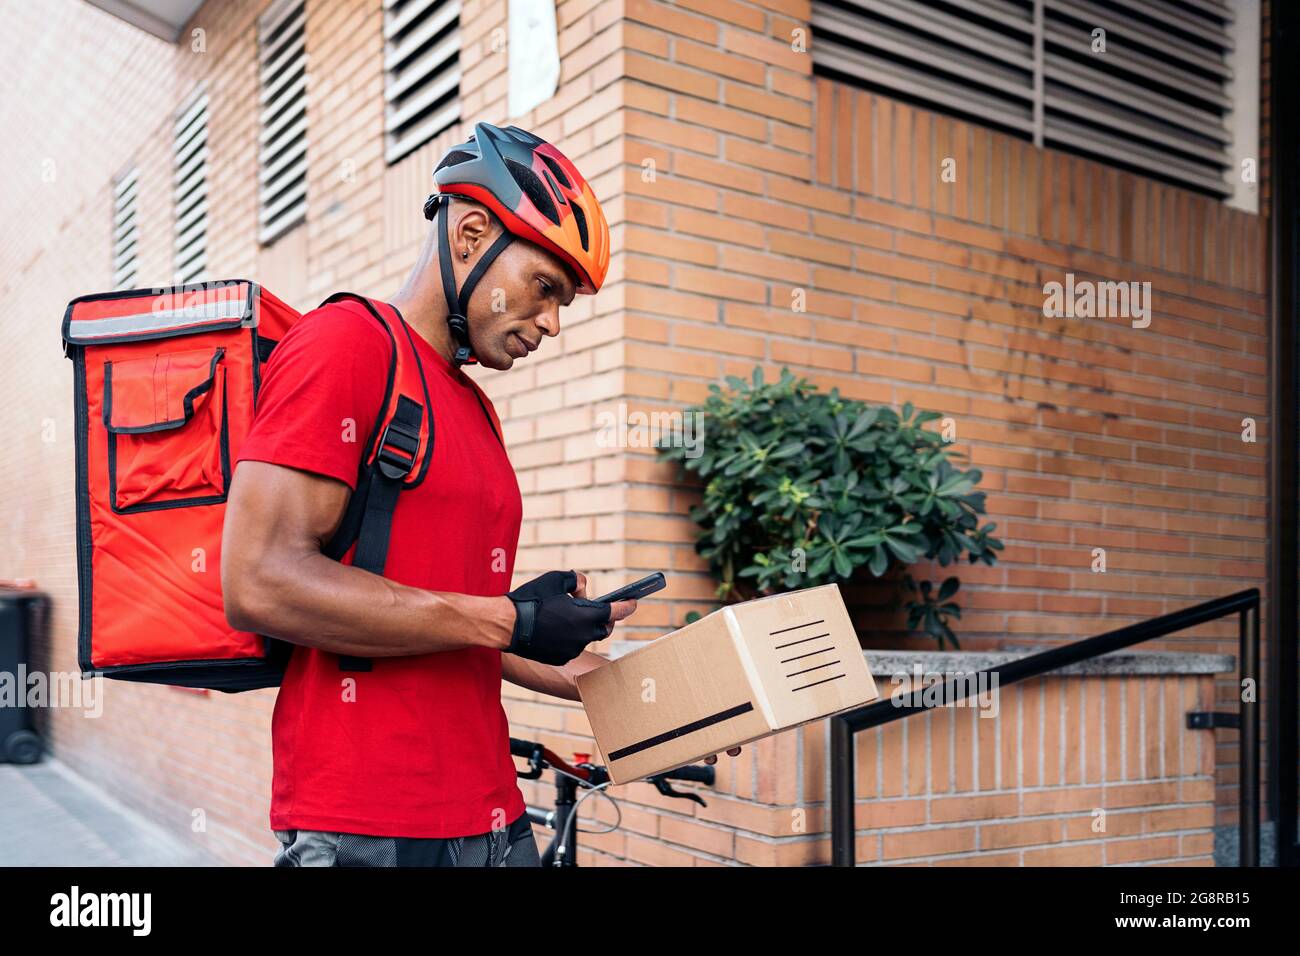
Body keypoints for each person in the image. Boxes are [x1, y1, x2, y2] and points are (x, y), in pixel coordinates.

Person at [222, 122, 732, 868]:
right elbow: (258, 582)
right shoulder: (347, 346)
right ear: (469, 235)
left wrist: (687, 696)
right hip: (369, 822)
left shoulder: (474, 407)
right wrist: (510, 617)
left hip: (492, 819)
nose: (553, 324)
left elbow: (464, 635)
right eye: (545, 288)